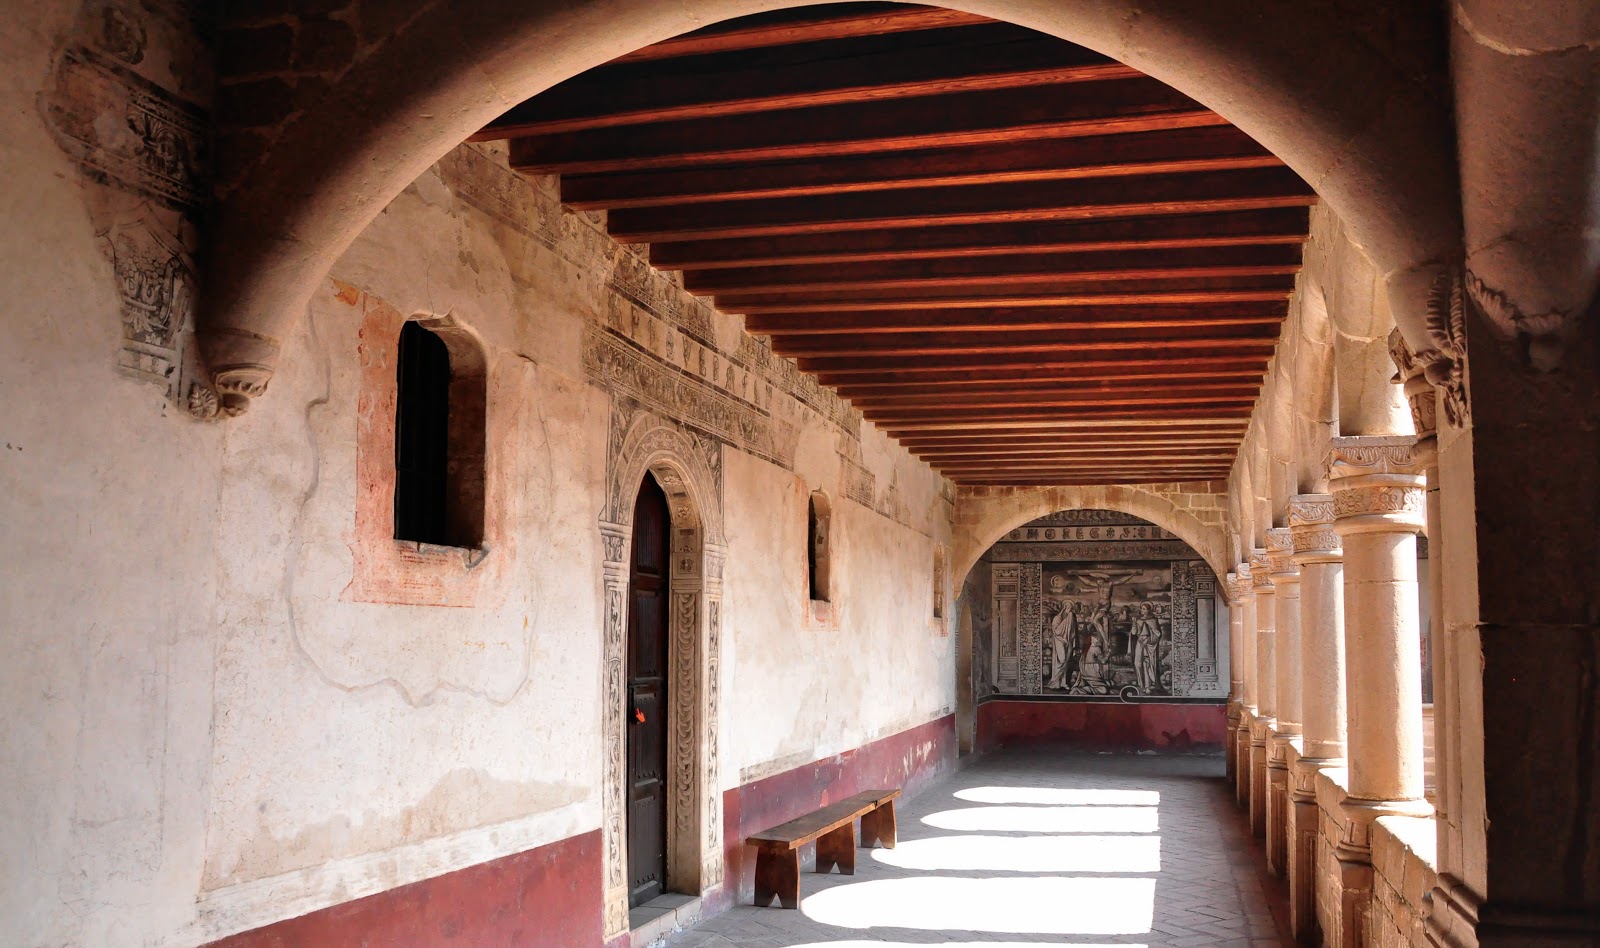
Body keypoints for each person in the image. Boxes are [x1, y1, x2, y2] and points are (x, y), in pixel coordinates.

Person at [1131, 602, 1161, 693]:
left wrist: (1148, 641)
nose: (1142, 610)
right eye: (1141, 608)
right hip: (1139, 643)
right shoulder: (1138, 620)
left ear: (1149, 610)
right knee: (1137, 663)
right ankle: (1141, 684)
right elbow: (1133, 633)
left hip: (1148, 643)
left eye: (1144, 609)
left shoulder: (1153, 620)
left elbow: (1158, 634)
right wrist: (1134, 623)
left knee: (1146, 664)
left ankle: (1148, 686)